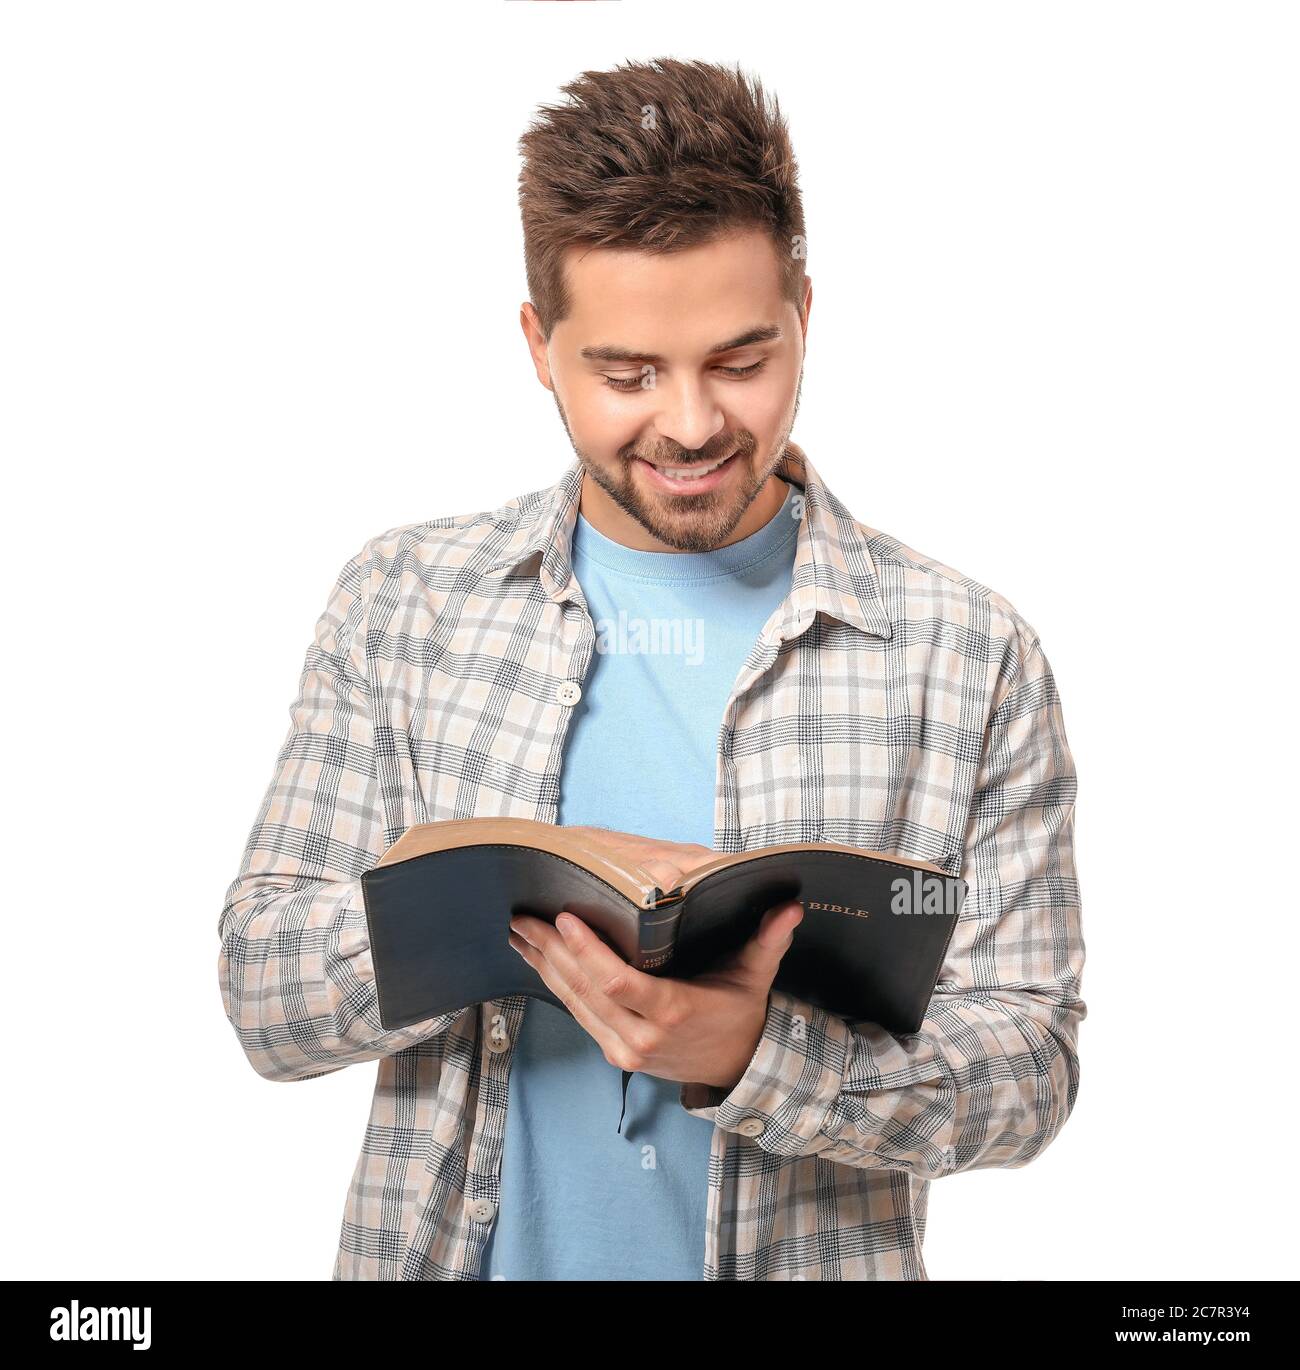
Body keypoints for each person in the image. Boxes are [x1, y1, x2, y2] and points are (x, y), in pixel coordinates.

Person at [217, 56, 1086, 1281]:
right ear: (539, 346)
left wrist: (754, 1055)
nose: (686, 422)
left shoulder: (967, 654)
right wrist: (489, 904)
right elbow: (263, 990)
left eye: (741, 360)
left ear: (803, 314)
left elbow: (1032, 1061)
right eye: (627, 373)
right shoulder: (404, 603)